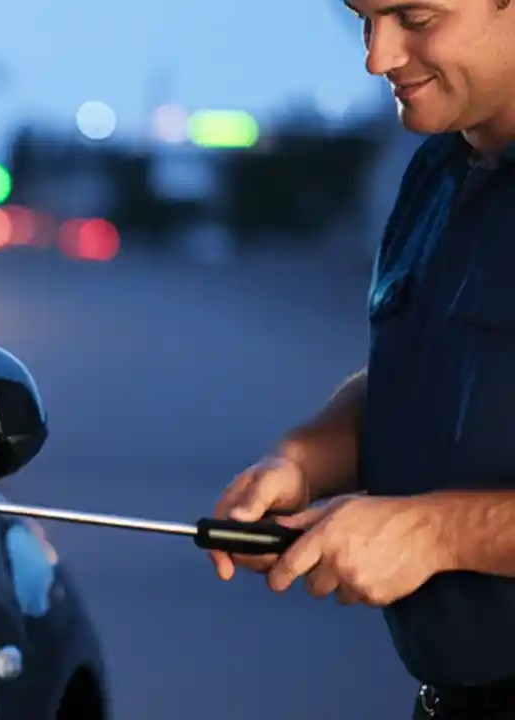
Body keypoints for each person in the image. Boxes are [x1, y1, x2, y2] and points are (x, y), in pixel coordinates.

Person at [207, 1, 515, 717]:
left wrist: (434, 532)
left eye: (416, 16)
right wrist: (302, 462)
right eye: (363, 20)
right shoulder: (436, 172)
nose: (378, 58)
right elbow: (434, 377)